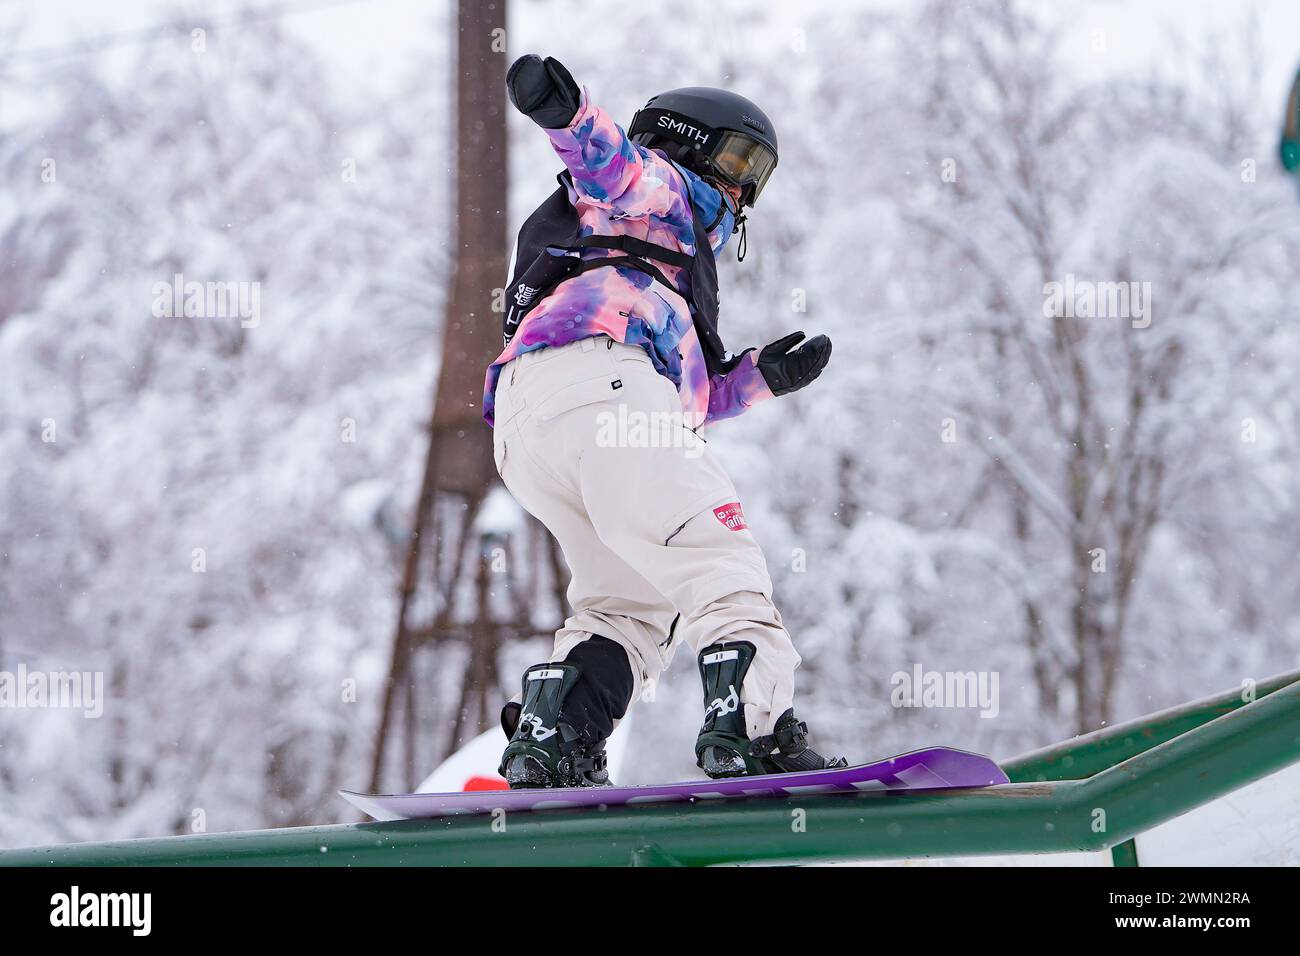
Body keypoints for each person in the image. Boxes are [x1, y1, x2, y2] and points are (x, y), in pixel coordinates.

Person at [485, 54, 841, 788]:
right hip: (604, 387)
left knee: (628, 597)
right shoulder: (659, 189)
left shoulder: (637, 262)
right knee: (715, 554)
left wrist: (759, 381)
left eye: (758, 172)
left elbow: (684, 398)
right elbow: (608, 161)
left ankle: (558, 736)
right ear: (688, 141)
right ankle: (755, 727)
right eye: (739, 159)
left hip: (531, 428)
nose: (743, 187)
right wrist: (566, 111)